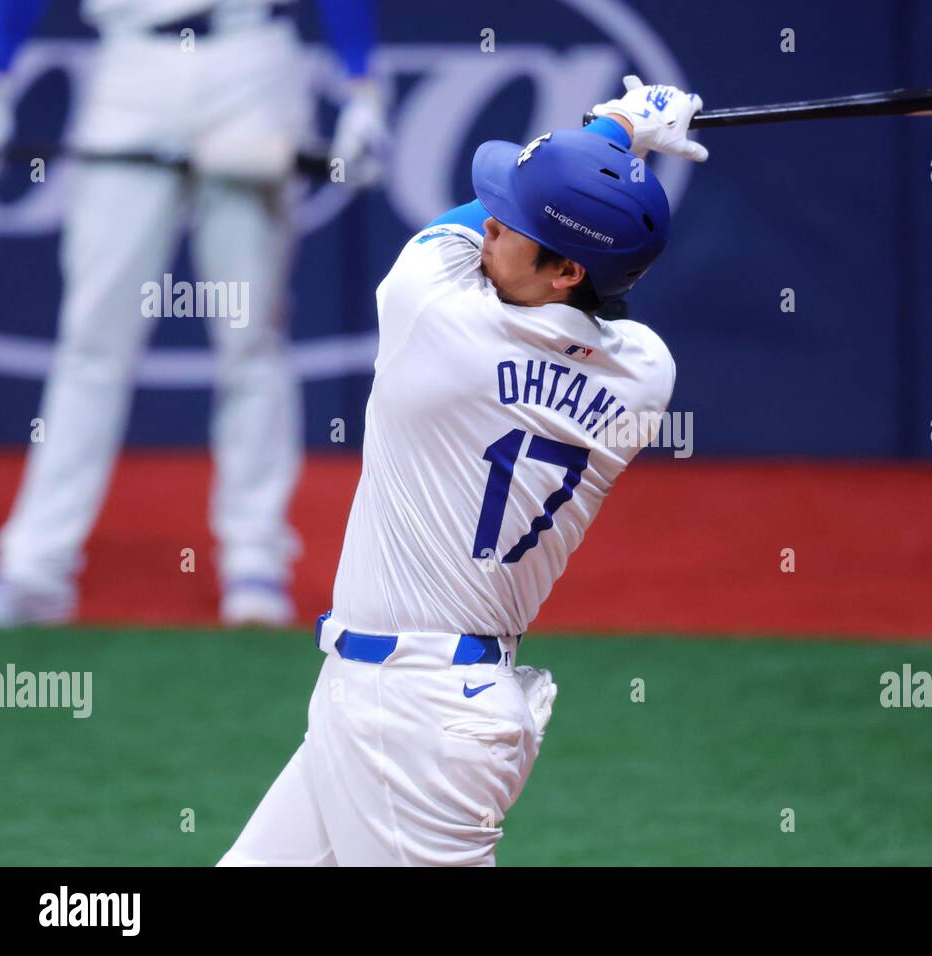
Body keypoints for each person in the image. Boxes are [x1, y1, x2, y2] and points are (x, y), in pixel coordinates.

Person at [218, 76, 708, 865]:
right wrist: (598, 168)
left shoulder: (434, 315)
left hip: (416, 719)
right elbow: (576, 275)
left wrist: (614, 130)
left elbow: (452, 229)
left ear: (566, 273)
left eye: (510, 224)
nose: (490, 227)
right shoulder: (646, 373)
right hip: (415, 703)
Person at [0, 0, 386, 627]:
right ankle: (36, 565)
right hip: (132, 62)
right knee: (91, 337)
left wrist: (363, 85)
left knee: (252, 336)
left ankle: (255, 557)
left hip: (251, 57)